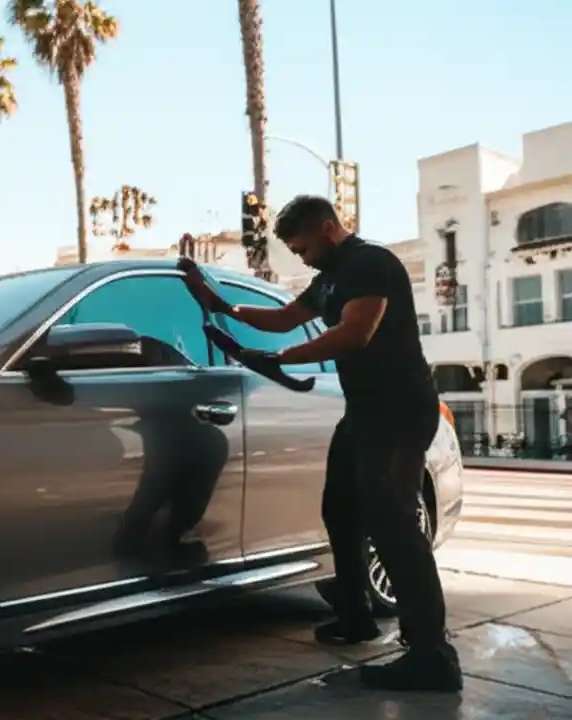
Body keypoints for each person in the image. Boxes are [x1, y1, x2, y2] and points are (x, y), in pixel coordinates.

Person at [179, 194, 462, 693]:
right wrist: (220, 304)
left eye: (302, 245)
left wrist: (282, 359)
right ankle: (355, 617)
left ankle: (431, 655)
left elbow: (355, 333)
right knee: (341, 510)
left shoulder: (370, 263)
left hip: (396, 411)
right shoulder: (331, 274)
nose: (300, 256)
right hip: (365, 412)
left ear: (328, 228)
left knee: (394, 526)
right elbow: (285, 316)